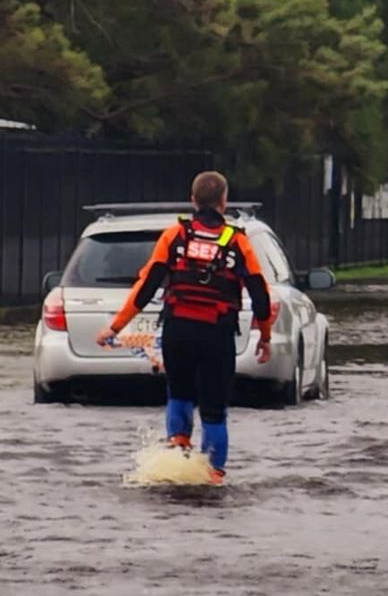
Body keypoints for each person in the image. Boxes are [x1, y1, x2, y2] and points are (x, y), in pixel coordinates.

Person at [96, 171, 274, 485]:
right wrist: (265, 337)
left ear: (193, 201)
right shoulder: (238, 241)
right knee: (214, 411)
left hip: (178, 332)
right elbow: (260, 294)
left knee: (179, 396)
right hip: (217, 336)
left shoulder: (174, 236)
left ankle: (177, 453)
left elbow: (147, 286)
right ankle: (213, 478)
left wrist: (115, 327)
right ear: (224, 202)